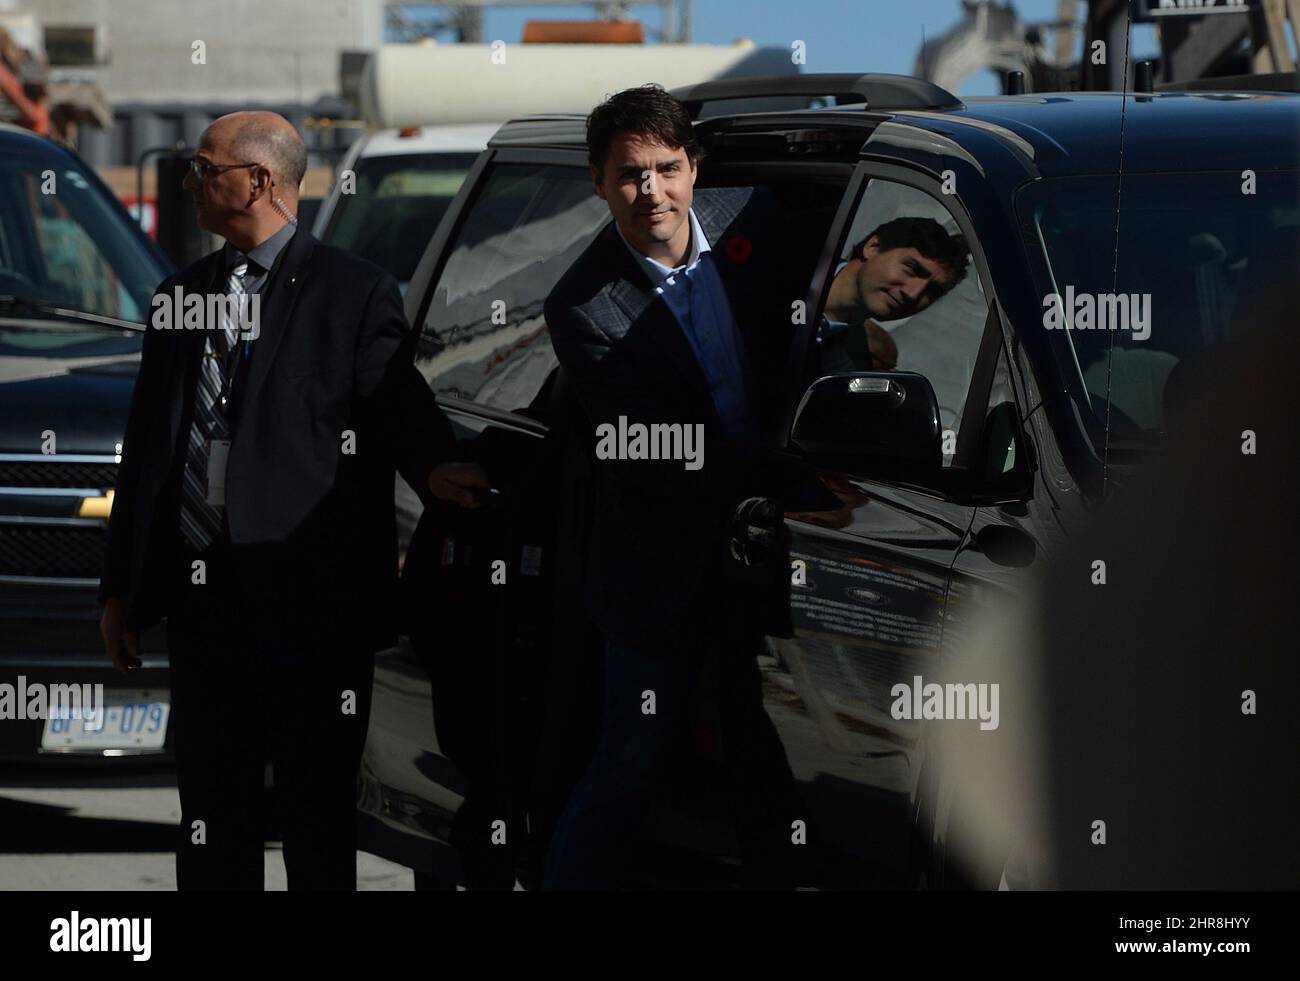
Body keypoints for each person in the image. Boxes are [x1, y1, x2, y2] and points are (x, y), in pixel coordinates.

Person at [98, 111, 488, 891]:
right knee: (213, 816)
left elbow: (396, 405)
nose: (191, 185)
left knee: (316, 817)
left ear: (259, 181)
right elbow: (147, 453)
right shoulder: (181, 297)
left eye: (204, 170)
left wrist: (443, 468)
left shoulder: (352, 293)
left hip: (314, 608)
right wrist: (120, 589)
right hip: (205, 603)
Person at [542, 84, 804, 889]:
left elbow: (798, 343)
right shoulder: (583, 305)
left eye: (666, 168)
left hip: (776, 554)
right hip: (658, 568)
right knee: (629, 769)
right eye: (628, 175)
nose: (650, 190)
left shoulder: (751, 222)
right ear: (598, 183)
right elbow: (651, 446)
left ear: (694, 168)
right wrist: (781, 477)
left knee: (770, 765)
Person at [817, 217, 968, 373]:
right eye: (912, 268)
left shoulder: (852, 368)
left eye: (932, 291)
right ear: (873, 247)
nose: (913, 294)